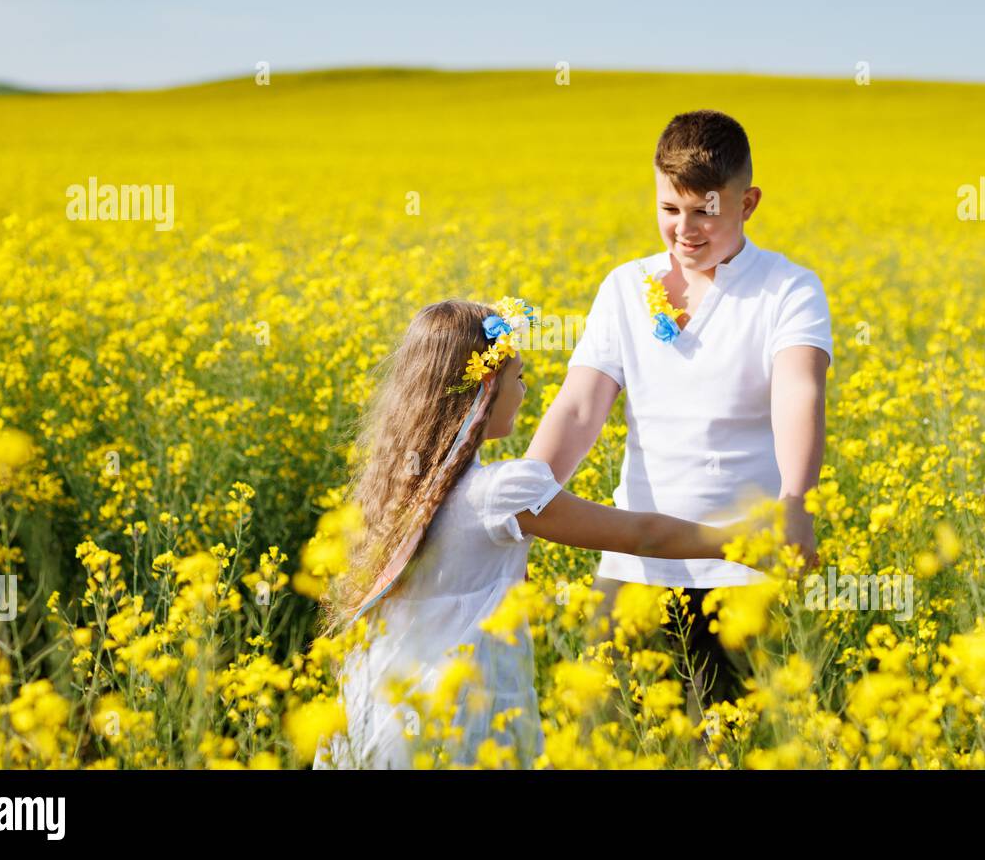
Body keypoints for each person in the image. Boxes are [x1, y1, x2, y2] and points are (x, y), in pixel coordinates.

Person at [313, 297, 733, 769]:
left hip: (377, 720)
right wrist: (743, 543)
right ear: (485, 388)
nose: (525, 390)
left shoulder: (397, 492)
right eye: (518, 377)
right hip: (461, 726)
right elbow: (644, 534)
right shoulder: (500, 494)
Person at [526, 109, 833, 711]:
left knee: (723, 747)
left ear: (747, 204)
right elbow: (582, 404)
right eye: (670, 210)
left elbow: (799, 391)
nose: (684, 230)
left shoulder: (788, 289)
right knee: (606, 738)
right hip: (634, 565)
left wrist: (795, 502)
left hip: (742, 570)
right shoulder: (624, 285)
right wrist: (525, 492)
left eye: (704, 212)